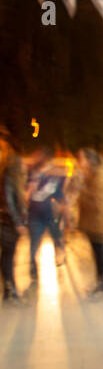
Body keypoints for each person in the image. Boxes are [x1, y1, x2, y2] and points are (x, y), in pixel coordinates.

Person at [26, 147, 67, 280]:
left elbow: (58, 192)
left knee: (56, 235)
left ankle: (59, 254)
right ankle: (33, 268)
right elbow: (26, 192)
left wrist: (63, 205)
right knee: (34, 242)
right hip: (35, 214)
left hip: (48, 212)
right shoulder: (31, 173)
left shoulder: (53, 175)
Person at [77, 148, 103, 299]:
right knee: (97, 252)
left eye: (81, 159)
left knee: (99, 252)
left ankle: (102, 286)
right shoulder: (93, 173)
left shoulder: (99, 176)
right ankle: (99, 282)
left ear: (89, 160)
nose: (79, 162)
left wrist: (81, 192)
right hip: (93, 221)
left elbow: (97, 202)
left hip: (97, 221)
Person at [1, 126, 26, 303]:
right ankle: (11, 291)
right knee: (9, 256)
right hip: (7, 222)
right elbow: (10, 201)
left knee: (7, 256)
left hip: (6, 221)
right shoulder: (10, 175)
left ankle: (9, 290)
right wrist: (18, 221)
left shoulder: (7, 173)